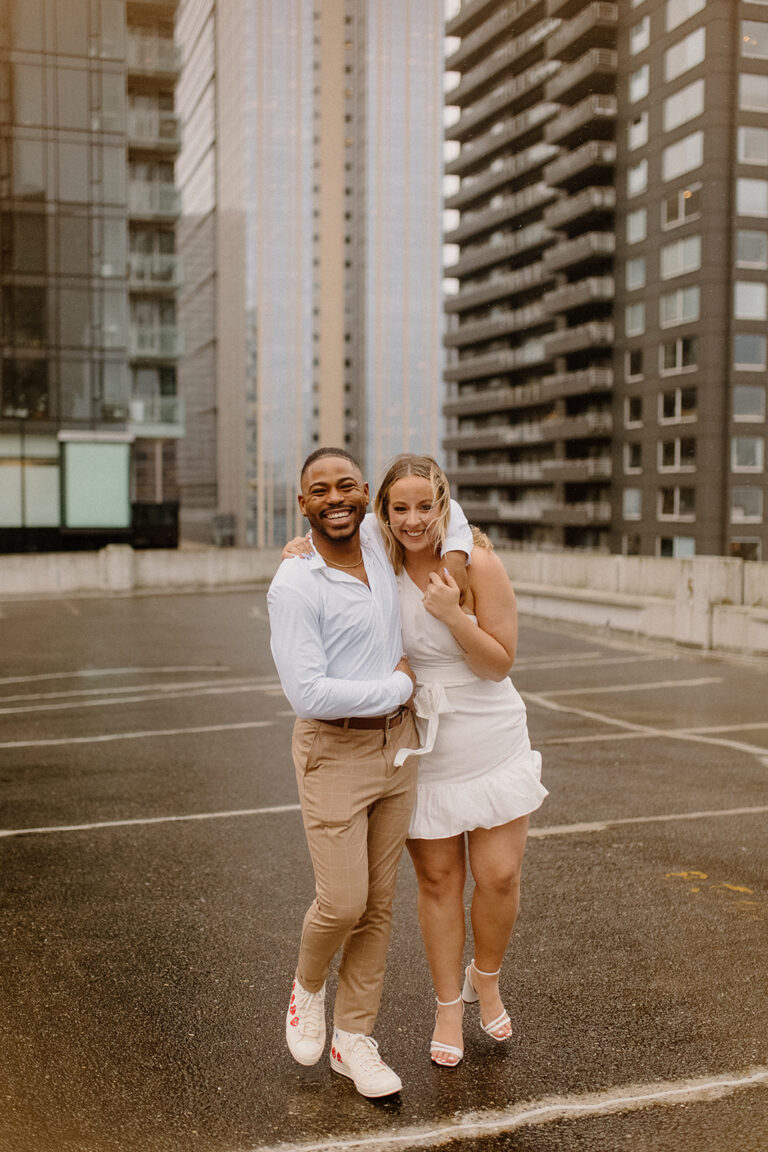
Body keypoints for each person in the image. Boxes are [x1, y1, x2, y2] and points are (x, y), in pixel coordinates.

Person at [267, 447, 472, 1099]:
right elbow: (308, 694)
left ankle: (353, 1040)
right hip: (334, 751)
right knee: (343, 901)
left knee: (379, 907)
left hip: (400, 751)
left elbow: (450, 512)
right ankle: (307, 988)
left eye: (348, 486)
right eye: (319, 489)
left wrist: (462, 553)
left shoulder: (382, 553)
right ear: (303, 504)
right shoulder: (295, 582)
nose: (336, 497)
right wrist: (395, 688)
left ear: (365, 496)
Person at [372, 454, 547, 1069]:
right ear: (385, 513)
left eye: (426, 506)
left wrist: (452, 615)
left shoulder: (478, 562)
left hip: (491, 732)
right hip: (425, 740)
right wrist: (298, 549)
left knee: (498, 875)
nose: (413, 519)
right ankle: (449, 1004)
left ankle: (486, 976)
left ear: (443, 505)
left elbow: (499, 663)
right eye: (401, 508)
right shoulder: (377, 565)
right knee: (439, 880)